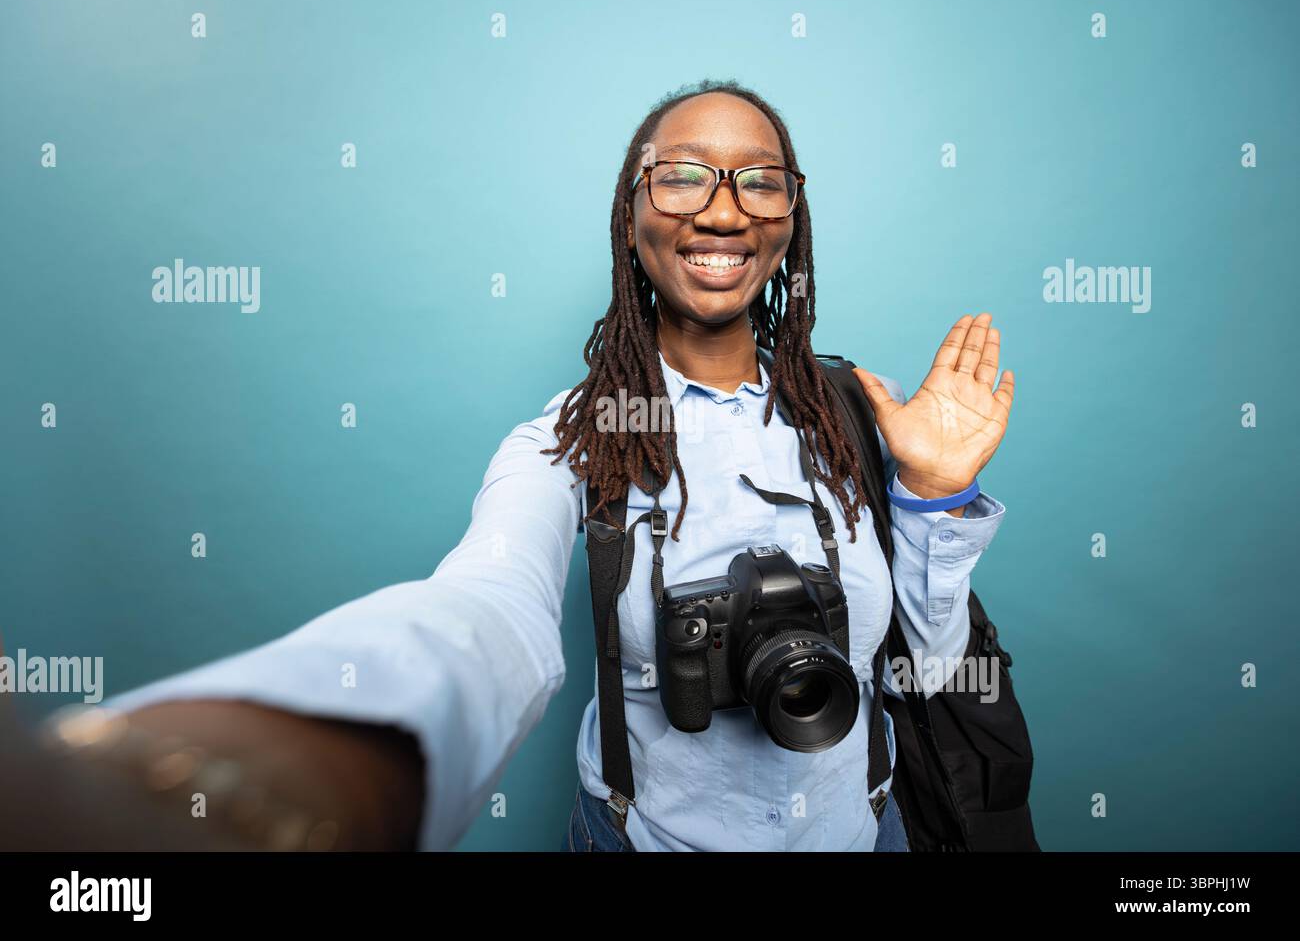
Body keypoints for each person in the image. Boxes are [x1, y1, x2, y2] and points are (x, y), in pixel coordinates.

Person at [14, 79, 1015, 852]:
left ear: (790, 219)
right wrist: (235, 775)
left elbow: (927, 671)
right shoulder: (572, 440)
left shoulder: (854, 418)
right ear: (631, 216)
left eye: (760, 180)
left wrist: (936, 495)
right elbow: (489, 608)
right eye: (681, 176)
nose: (724, 211)